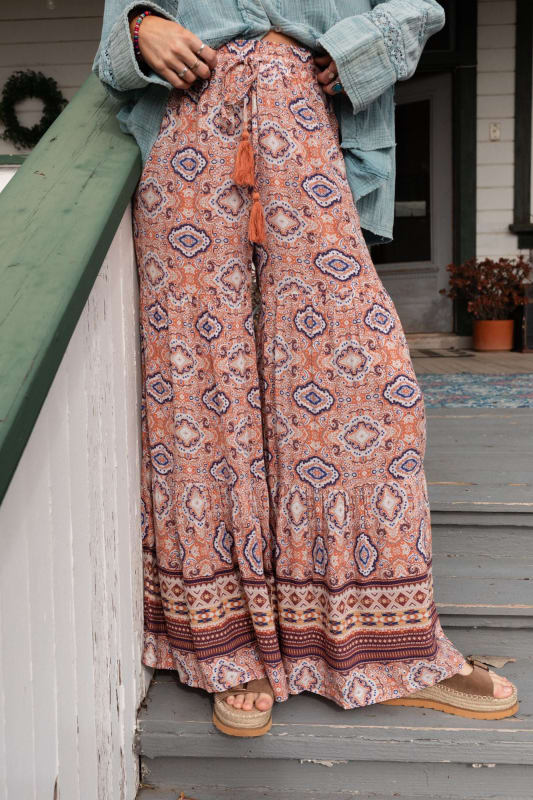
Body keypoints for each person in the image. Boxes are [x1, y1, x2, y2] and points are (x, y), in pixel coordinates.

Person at [93, 0, 518, 737]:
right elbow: (111, 47)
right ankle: (230, 645)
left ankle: (389, 643)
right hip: (189, 136)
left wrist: (356, 46)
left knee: (367, 391)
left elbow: (419, 7)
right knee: (206, 393)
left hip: (306, 124)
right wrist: (140, 26)